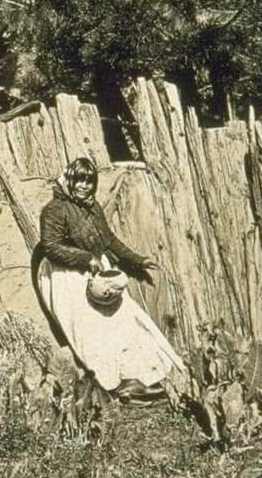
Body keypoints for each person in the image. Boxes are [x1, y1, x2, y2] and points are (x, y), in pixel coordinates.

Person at [32, 157, 186, 399]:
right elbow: (51, 247)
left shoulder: (93, 208)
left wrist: (137, 259)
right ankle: (110, 384)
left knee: (123, 322)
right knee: (91, 330)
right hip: (65, 276)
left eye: (88, 181)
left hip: (96, 273)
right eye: (79, 180)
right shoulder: (54, 210)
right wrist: (84, 258)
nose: (84, 186)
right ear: (70, 179)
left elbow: (109, 240)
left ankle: (134, 378)